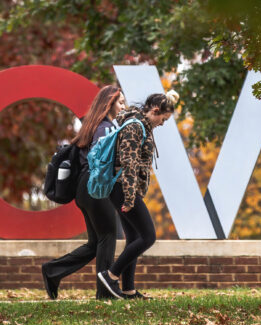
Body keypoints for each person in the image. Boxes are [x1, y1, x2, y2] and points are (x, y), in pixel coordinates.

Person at [40, 84, 127, 300]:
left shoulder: (91, 126)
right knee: (108, 236)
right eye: (121, 102)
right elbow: (102, 160)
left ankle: (53, 271)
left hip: (82, 188)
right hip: (96, 186)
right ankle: (105, 292)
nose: (124, 106)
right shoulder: (106, 128)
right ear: (110, 104)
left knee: (95, 242)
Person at [95, 90, 177, 300]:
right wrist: (130, 198)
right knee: (148, 236)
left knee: (134, 238)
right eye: (163, 119)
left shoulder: (141, 124)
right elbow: (128, 163)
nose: (162, 123)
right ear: (155, 110)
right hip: (123, 188)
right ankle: (110, 274)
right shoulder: (134, 126)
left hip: (124, 188)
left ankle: (128, 290)